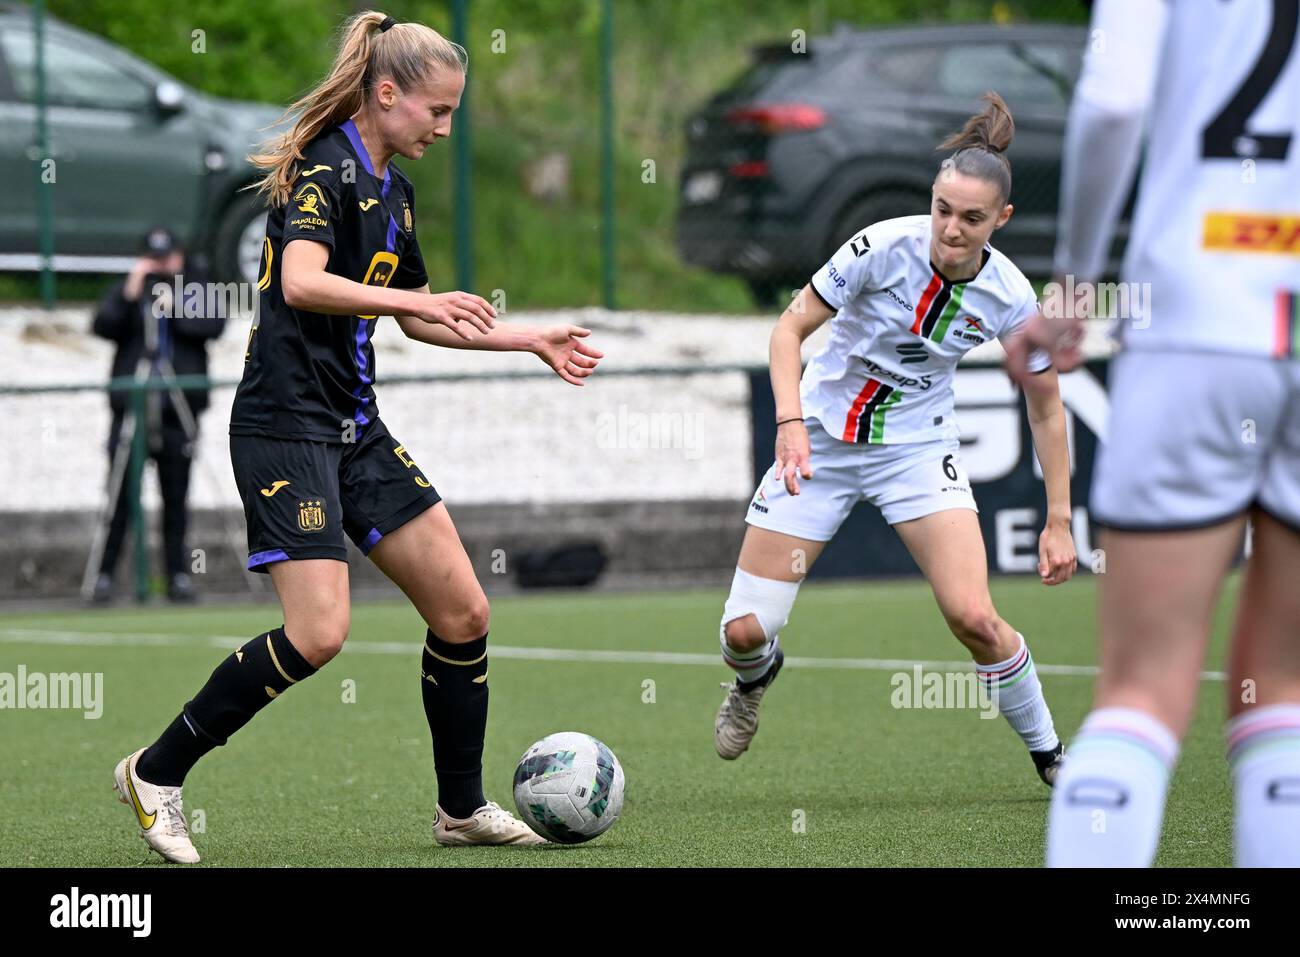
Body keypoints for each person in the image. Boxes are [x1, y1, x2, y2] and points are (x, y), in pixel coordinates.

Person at [111, 11, 603, 863]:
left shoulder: (394, 195)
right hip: (283, 429)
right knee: (319, 633)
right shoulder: (322, 171)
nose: (445, 129)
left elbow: (423, 321)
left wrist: (527, 338)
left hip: (356, 429)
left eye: (453, 113)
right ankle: (155, 772)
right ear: (387, 94)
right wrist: (416, 301)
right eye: (436, 112)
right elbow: (302, 283)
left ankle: (460, 809)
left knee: (462, 609)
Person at [714, 93, 1077, 788]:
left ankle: (1053, 757)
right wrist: (790, 424)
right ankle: (755, 680)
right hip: (818, 444)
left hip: (915, 452)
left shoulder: (1009, 295)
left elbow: (1047, 408)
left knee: (973, 614)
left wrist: (1059, 520)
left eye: (971, 218)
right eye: (943, 209)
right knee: (743, 634)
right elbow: (788, 331)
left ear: (1000, 219)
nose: (950, 228)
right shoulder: (880, 246)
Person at [1010, 0, 1300, 867]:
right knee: (1284, 688)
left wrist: (1074, 282)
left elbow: (1112, 100)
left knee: (1140, 687)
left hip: (1195, 313)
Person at [91, 227, 225, 604]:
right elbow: (103, 325)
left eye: (167, 259)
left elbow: (213, 325)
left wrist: (177, 304)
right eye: (154, 259)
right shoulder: (131, 291)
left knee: (176, 498)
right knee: (119, 495)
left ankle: (179, 576)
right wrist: (131, 291)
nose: (161, 266)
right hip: (132, 408)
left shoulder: (197, 288)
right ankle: (104, 575)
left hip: (176, 411)